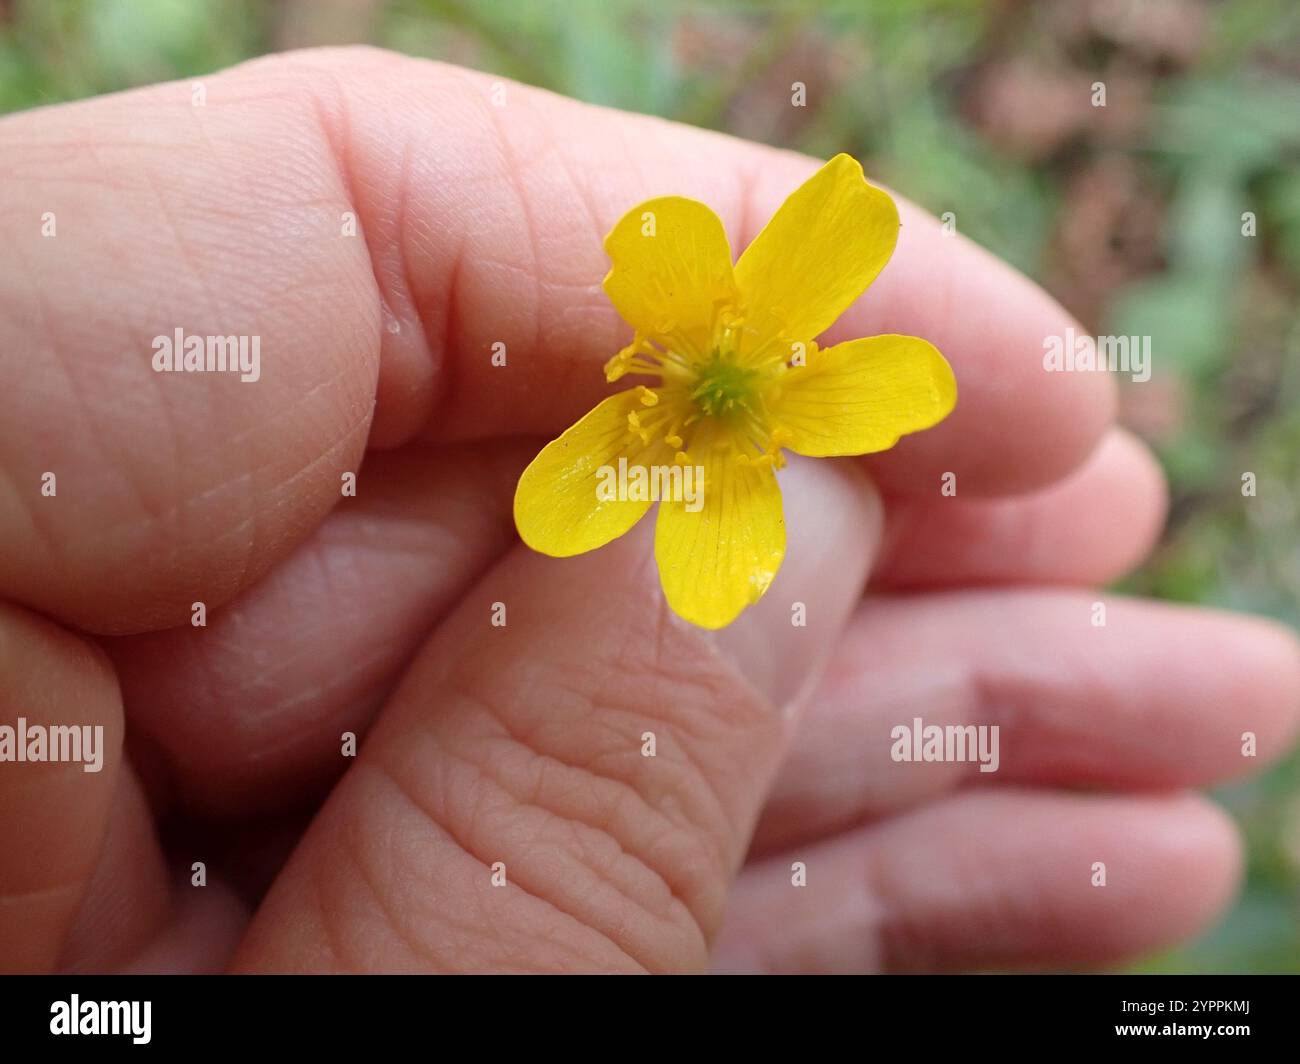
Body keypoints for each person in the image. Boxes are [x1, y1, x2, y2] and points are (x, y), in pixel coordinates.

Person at [1, 48, 1296, 975]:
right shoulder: (651, 360)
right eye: (713, 378)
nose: (722, 384)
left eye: (727, 383)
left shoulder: (808, 357)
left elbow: (855, 365)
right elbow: (565, 511)